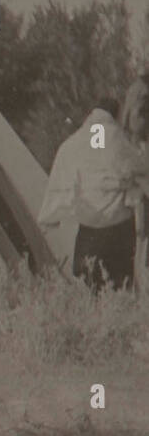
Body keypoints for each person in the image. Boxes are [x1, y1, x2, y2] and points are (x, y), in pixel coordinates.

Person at [38, 97, 149, 291]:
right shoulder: (114, 137)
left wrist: (52, 216)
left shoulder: (74, 142)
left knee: (88, 285)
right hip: (117, 225)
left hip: (89, 227)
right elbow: (138, 166)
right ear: (115, 114)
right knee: (119, 285)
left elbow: (61, 179)